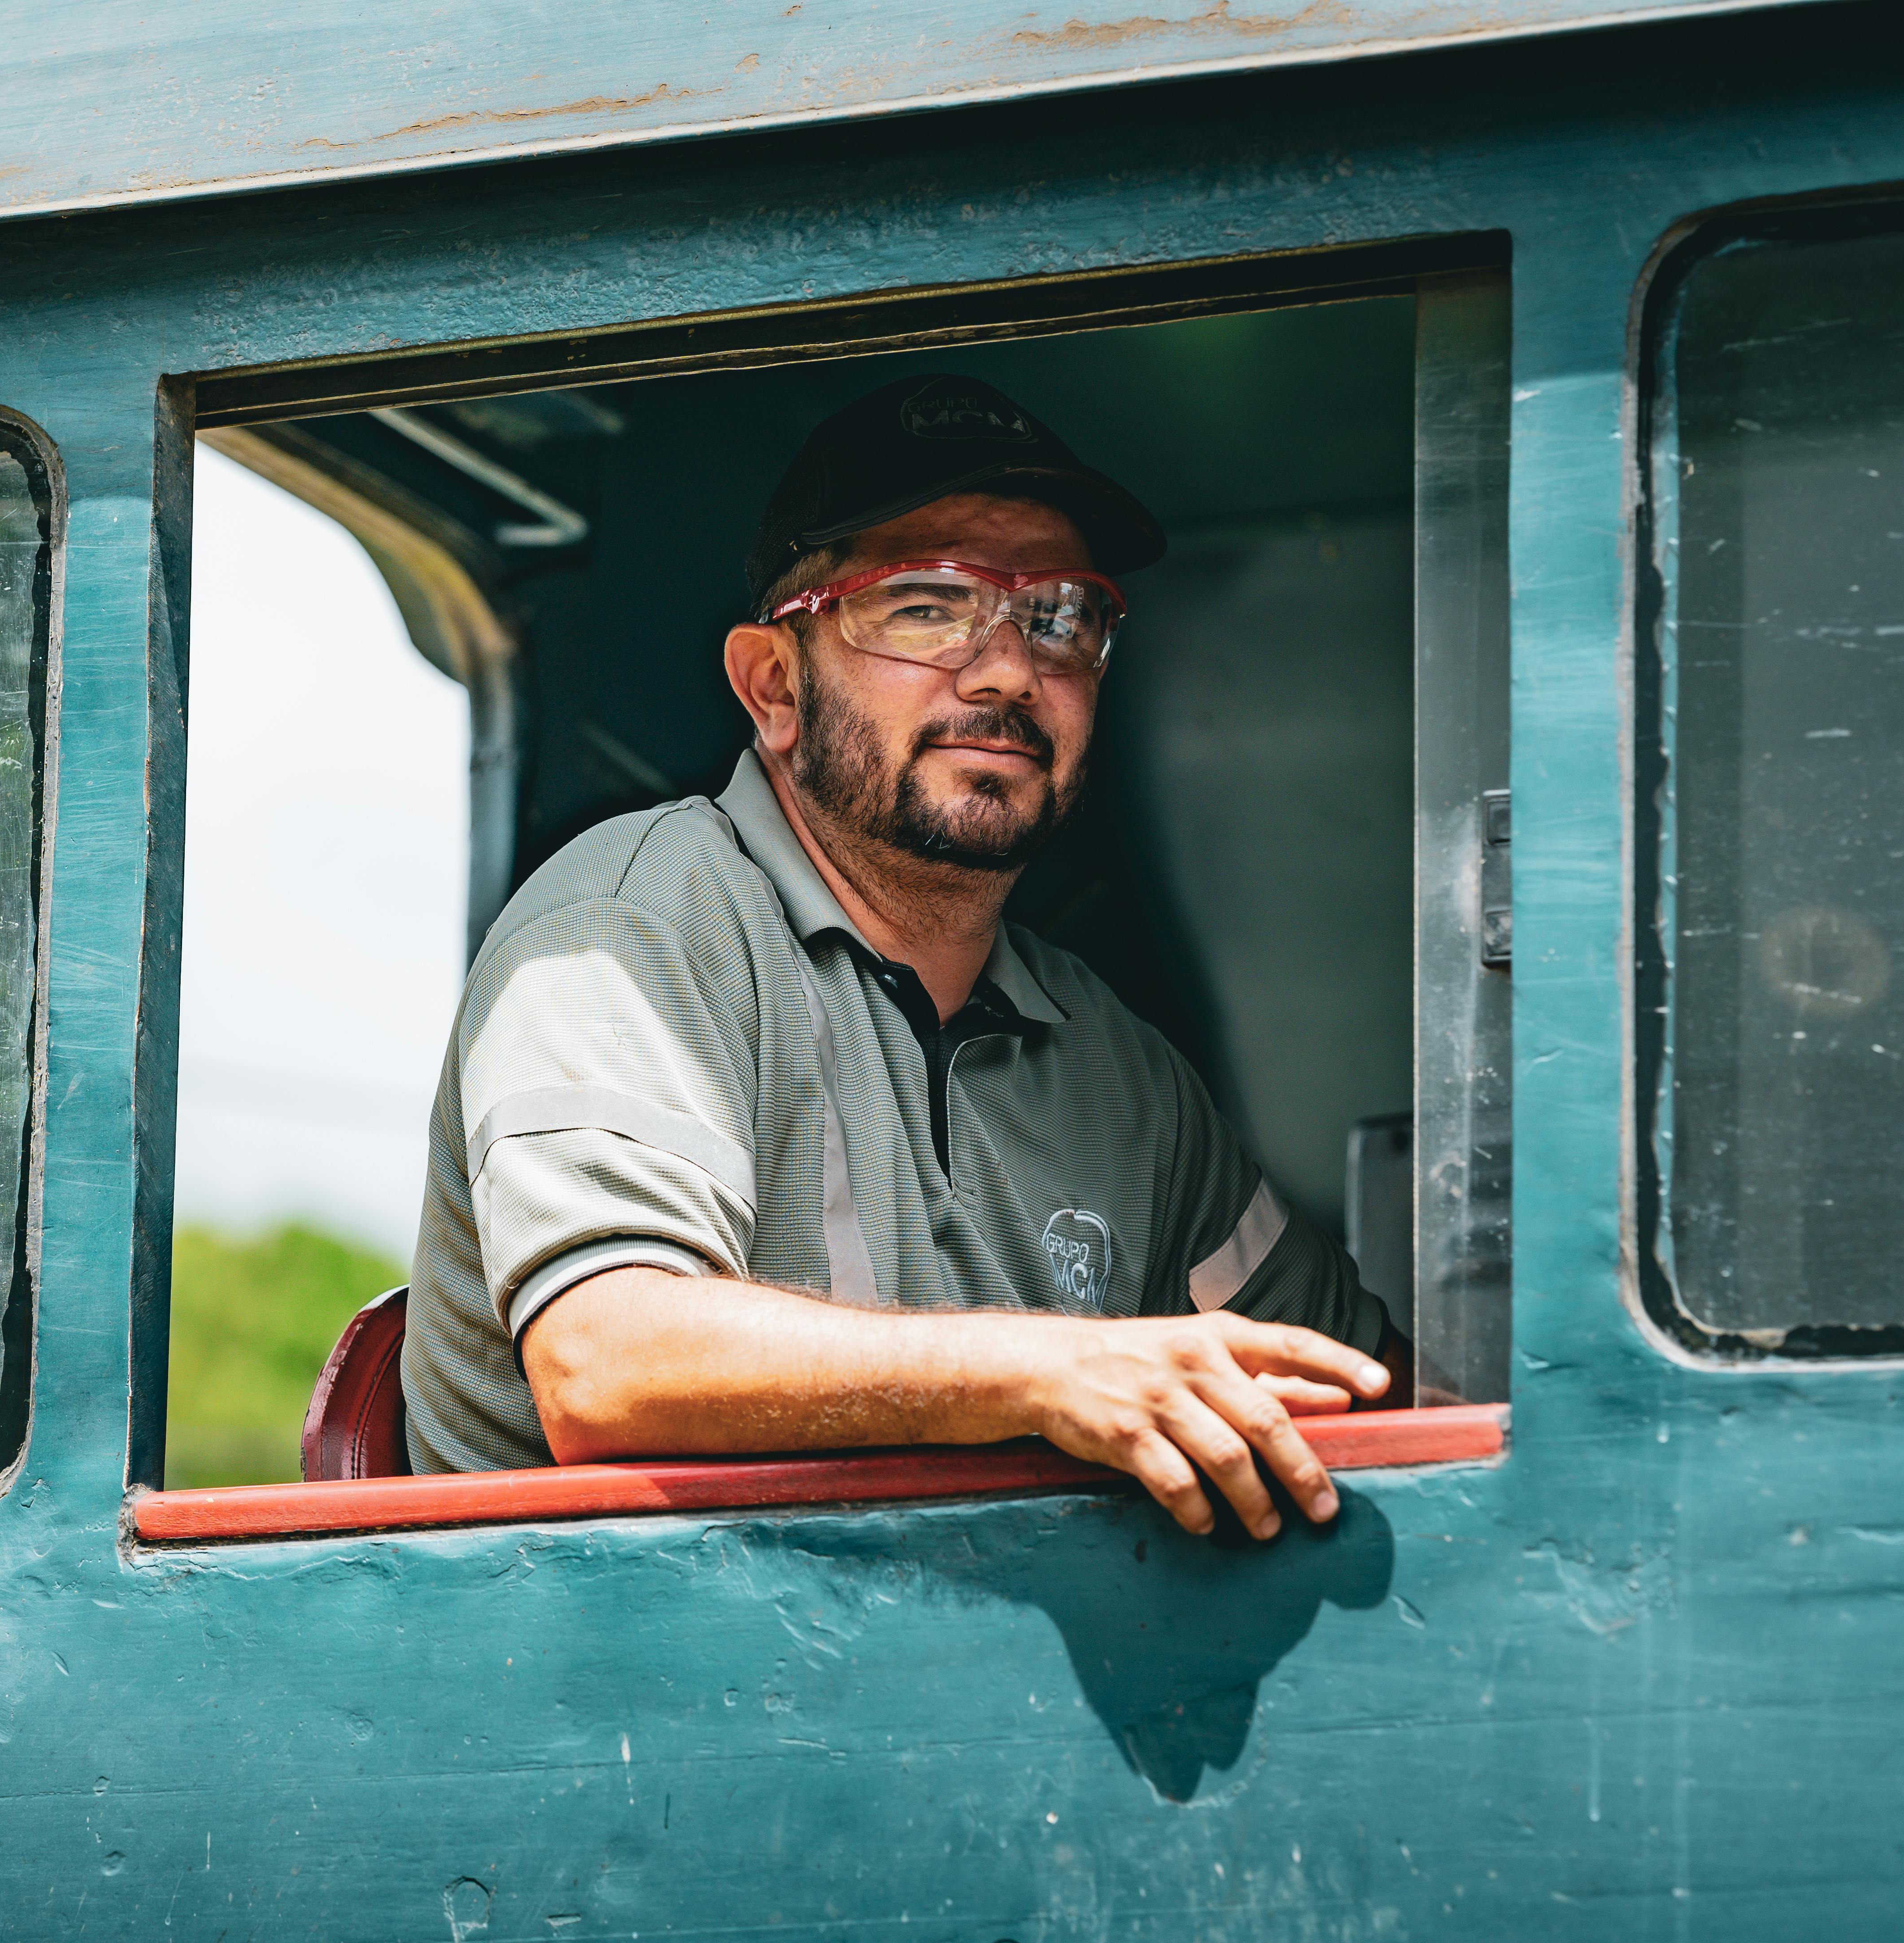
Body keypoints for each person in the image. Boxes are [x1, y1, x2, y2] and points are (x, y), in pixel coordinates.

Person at [399, 373, 1409, 1541]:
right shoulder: (635, 919)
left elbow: (1366, 1382)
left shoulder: (1118, 1069)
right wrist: (1052, 1372)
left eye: (1060, 615)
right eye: (925, 605)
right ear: (773, 687)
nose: (1006, 670)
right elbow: (609, 1363)